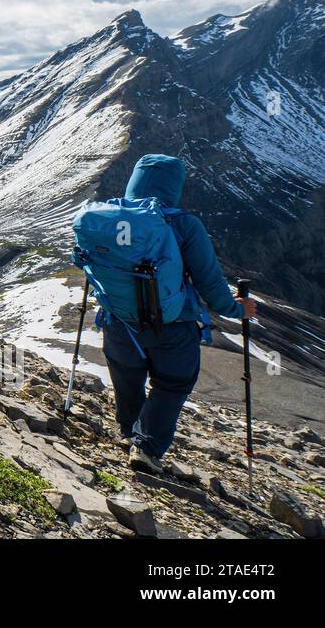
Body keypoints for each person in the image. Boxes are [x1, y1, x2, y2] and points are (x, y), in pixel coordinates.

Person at [102, 154, 257, 472]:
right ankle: (144, 448)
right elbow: (209, 281)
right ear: (174, 184)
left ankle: (129, 433)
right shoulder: (184, 224)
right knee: (173, 383)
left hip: (117, 323)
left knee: (127, 379)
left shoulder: (108, 216)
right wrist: (235, 308)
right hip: (171, 326)